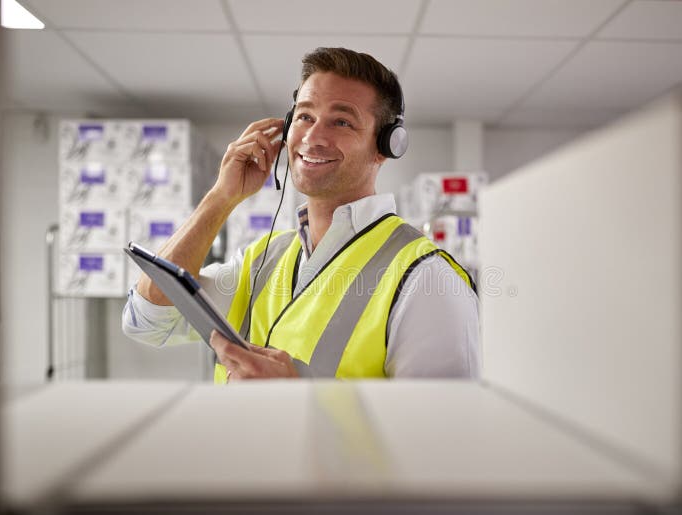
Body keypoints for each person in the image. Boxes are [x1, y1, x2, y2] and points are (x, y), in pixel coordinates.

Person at [122, 47, 479, 382]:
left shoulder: (427, 275)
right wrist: (221, 197)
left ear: (385, 146)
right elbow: (147, 321)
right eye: (305, 116)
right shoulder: (262, 259)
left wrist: (303, 396)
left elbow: (442, 433)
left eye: (341, 122)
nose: (313, 136)